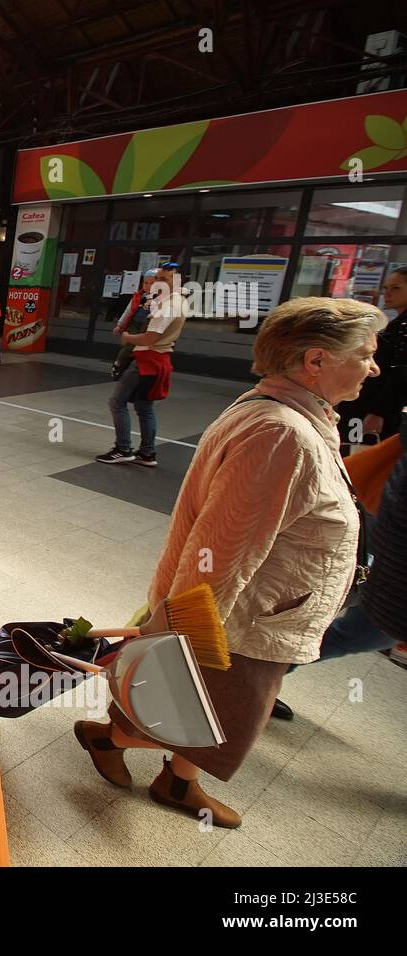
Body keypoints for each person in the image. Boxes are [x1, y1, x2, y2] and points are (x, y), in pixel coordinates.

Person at [75, 297, 385, 827]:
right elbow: (223, 547)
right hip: (246, 618)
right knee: (211, 705)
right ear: (315, 361)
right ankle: (114, 741)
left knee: (208, 708)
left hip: (257, 611)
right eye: (365, 353)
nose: (373, 367)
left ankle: (176, 777)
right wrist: (185, 632)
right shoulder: (281, 433)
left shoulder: (283, 415)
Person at [272, 413, 407, 720]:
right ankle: (248, 678)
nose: (371, 367)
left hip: (379, 538)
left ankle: (258, 677)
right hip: (384, 541)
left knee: (363, 630)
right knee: (354, 621)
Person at [95, 264, 187, 467]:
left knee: (117, 402)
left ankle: (123, 449)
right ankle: (147, 453)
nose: (160, 282)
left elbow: (149, 337)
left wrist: (128, 337)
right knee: (144, 407)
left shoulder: (168, 306)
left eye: (166, 278)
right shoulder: (177, 300)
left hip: (147, 359)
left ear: (177, 281)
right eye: (159, 278)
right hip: (159, 359)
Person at [349, 266, 407, 441]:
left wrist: (378, 411)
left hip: (380, 410)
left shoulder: (401, 328)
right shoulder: (396, 324)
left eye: (396, 288)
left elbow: (400, 372)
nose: (388, 294)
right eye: (386, 288)